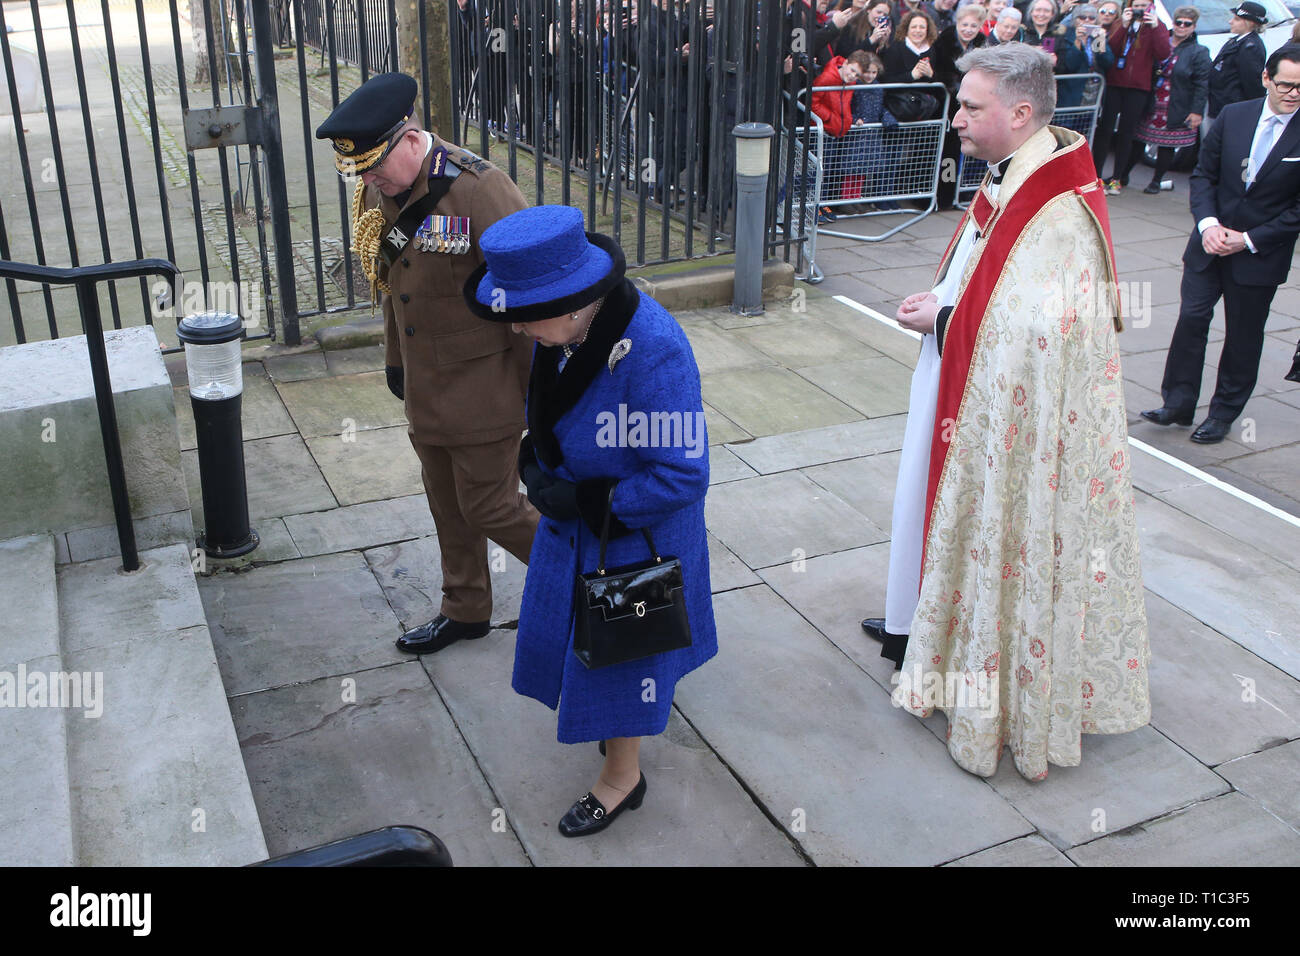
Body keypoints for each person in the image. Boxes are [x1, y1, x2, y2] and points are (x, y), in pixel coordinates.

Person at [882, 43, 1150, 780]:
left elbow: (1034, 335)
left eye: (971, 106)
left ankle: (994, 681)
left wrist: (941, 324)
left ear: (1021, 112)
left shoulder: (1058, 214)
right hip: (956, 390)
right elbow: (985, 281)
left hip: (1009, 424)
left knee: (1007, 536)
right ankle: (930, 630)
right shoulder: (1014, 174)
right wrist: (941, 303)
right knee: (926, 510)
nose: (957, 118)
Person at [464, 204, 718, 836]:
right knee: (585, 648)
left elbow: (683, 473)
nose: (519, 329)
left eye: (528, 315)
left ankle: (621, 779)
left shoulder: (654, 350)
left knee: (621, 663)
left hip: (633, 537)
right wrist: (537, 455)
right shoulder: (567, 331)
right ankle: (613, 740)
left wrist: (591, 502)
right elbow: (552, 404)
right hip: (576, 526)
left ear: (576, 299)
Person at [316, 73, 540, 656]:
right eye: (358, 170)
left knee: (491, 504)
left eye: (374, 166)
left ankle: (584, 579)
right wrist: (395, 361)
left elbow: (534, 294)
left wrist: (540, 389)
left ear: (410, 139)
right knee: (446, 502)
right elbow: (392, 285)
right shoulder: (378, 189)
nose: (367, 180)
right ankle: (465, 608)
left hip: (486, 385)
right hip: (426, 387)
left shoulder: (480, 189)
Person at [1142, 45, 1300, 445]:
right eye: (1286, 84)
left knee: (1243, 336)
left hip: (1258, 255)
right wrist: (1209, 226)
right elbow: (1203, 176)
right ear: (1266, 78)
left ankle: (1223, 413)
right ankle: (1177, 403)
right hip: (1208, 245)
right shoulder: (1235, 115)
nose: (1294, 93)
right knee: (1192, 320)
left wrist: (1247, 240)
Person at [1126, 7, 1210, 193]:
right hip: (1152, 99)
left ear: (1193, 26)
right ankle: (1123, 175)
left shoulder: (1199, 51)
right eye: (1178, 22)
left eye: (1187, 24)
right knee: (1138, 140)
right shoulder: (1161, 39)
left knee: (1166, 145)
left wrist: (1196, 111)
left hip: (1177, 103)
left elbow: (1202, 84)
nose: (1181, 26)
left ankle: (1156, 181)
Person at [1091, 0, 1171, 194]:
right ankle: (1096, 177)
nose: (1140, 10)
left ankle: (1117, 178)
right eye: (1137, 5)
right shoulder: (1120, 23)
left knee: (1127, 134)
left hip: (1138, 87)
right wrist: (1123, 26)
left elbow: (1163, 53)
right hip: (1113, 84)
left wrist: (1157, 26)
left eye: (1144, 6)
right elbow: (1108, 50)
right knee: (1105, 131)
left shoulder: (1155, 26)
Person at [932, 4, 988, 205]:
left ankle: (949, 194)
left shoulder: (981, 43)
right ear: (957, 23)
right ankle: (936, 195)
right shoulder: (943, 41)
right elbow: (937, 73)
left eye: (973, 26)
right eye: (965, 24)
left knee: (956, 153)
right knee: (941, 152)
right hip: (945, 107)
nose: (968, 29)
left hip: (968, 108)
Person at [812, 50, 875, 220]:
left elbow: (844, 104)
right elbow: (813, 103)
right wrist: (832, 118)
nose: (853, 76)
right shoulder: (827, 78)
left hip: (836, 130)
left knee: (828, 170)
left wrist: (844, 120)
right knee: (817, 171)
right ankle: (814, 206)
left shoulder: (850, 83)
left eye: (857, 74)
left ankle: (822, 204)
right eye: (852, 70)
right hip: (823, 130)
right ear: (845, 63)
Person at [1207, 2, 1268, 128]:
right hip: (1221, 105)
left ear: (1249, 23)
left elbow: (1252, 83)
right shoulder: (1236, 41)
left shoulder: (1251, 47)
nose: (1230, 22)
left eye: (1237, 19)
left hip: (1233, 109)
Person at [1054, 4, 1114, 108]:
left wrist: (1101, 41)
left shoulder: (1096, 37)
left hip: (1093, 91)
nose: (1087, 20)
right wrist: (1078, 41)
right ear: (1074, 20)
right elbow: (1070, 64)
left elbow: (1107, 62)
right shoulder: (1067, 36)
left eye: (1091, 18)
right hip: (1071, 91)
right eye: (1082, 17)